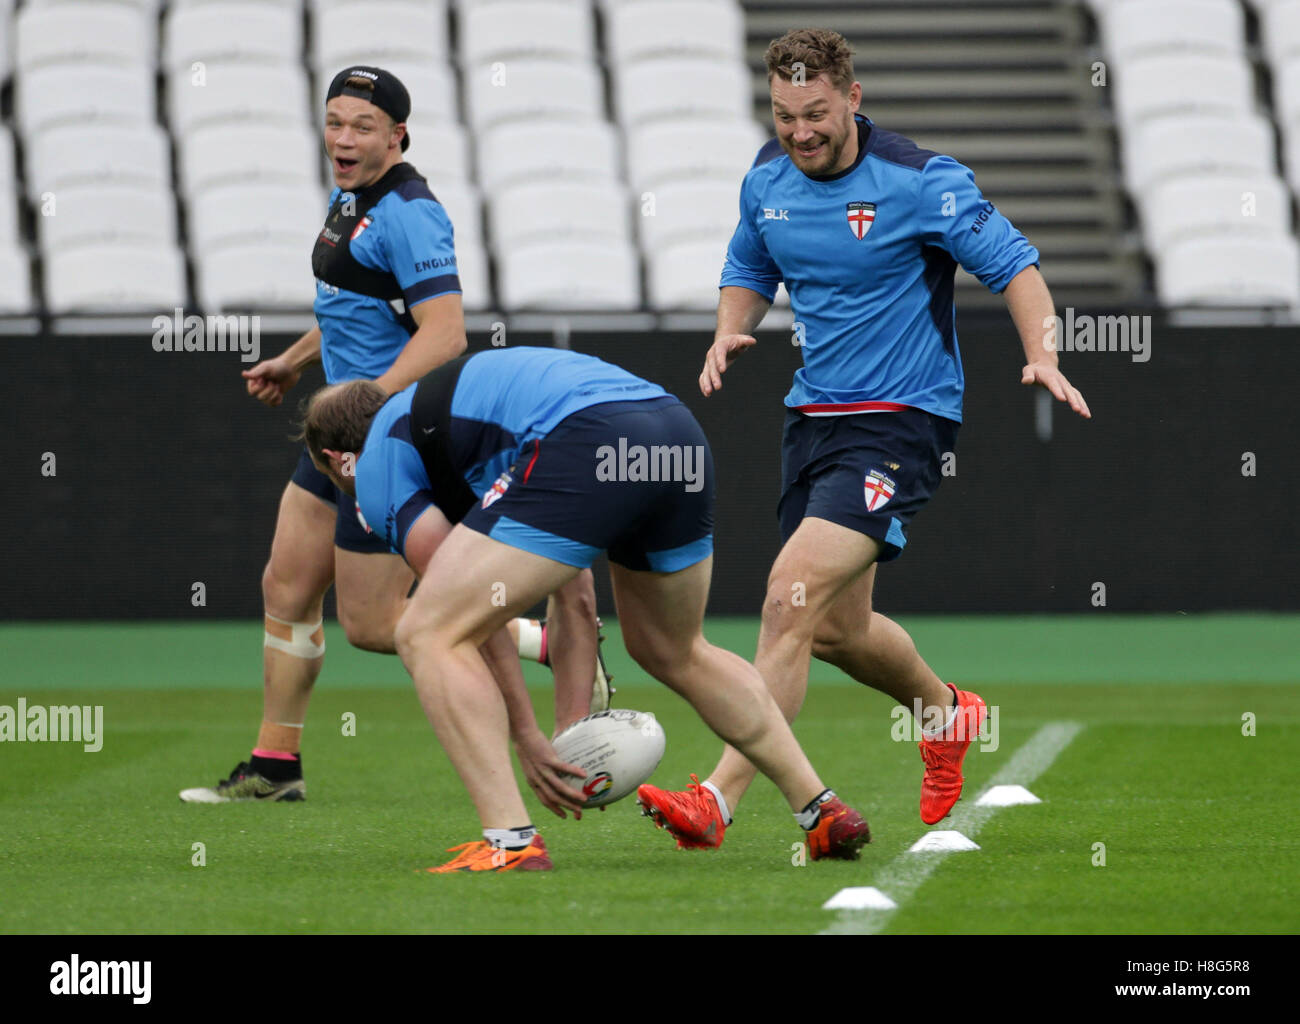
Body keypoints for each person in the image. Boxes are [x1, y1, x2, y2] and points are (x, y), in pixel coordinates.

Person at [635, 29, 1092, 848]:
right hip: (811, 420)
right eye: (783, 115)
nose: (799, 131)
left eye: (815, 113)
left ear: (852, 98)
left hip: (902, 421)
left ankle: (719, 798)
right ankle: (947, 716)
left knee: (788, 599)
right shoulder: (767, 181)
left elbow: (1017, 267)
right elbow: (748, 269)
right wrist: (729, 330)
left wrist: (1041, 356)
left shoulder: (924, 182)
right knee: (839, 630)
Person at [181, 66, 606, 804]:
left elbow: (444, 334)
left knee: (376, 626)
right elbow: (355, 303)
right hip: (341, 425)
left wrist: (372, 404)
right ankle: (276, 766)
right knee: (285, 585)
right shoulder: (349, 199)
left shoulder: (411, 212)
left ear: (397, 136)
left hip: (387, 435)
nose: (343, 138)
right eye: (335, 122)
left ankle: (547, 644)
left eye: (362, 127)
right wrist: (292, 360)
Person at [301, 345, 873, 872]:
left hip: (583, 437)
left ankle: (511, 842)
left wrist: (528, 737)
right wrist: (570, 732)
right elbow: (572, 592)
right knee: (673, 649)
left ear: (334, 460)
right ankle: (820, 810)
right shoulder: (463, 431)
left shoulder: (376, 459)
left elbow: (469, 617)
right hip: (672, 434)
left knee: (426, 631)